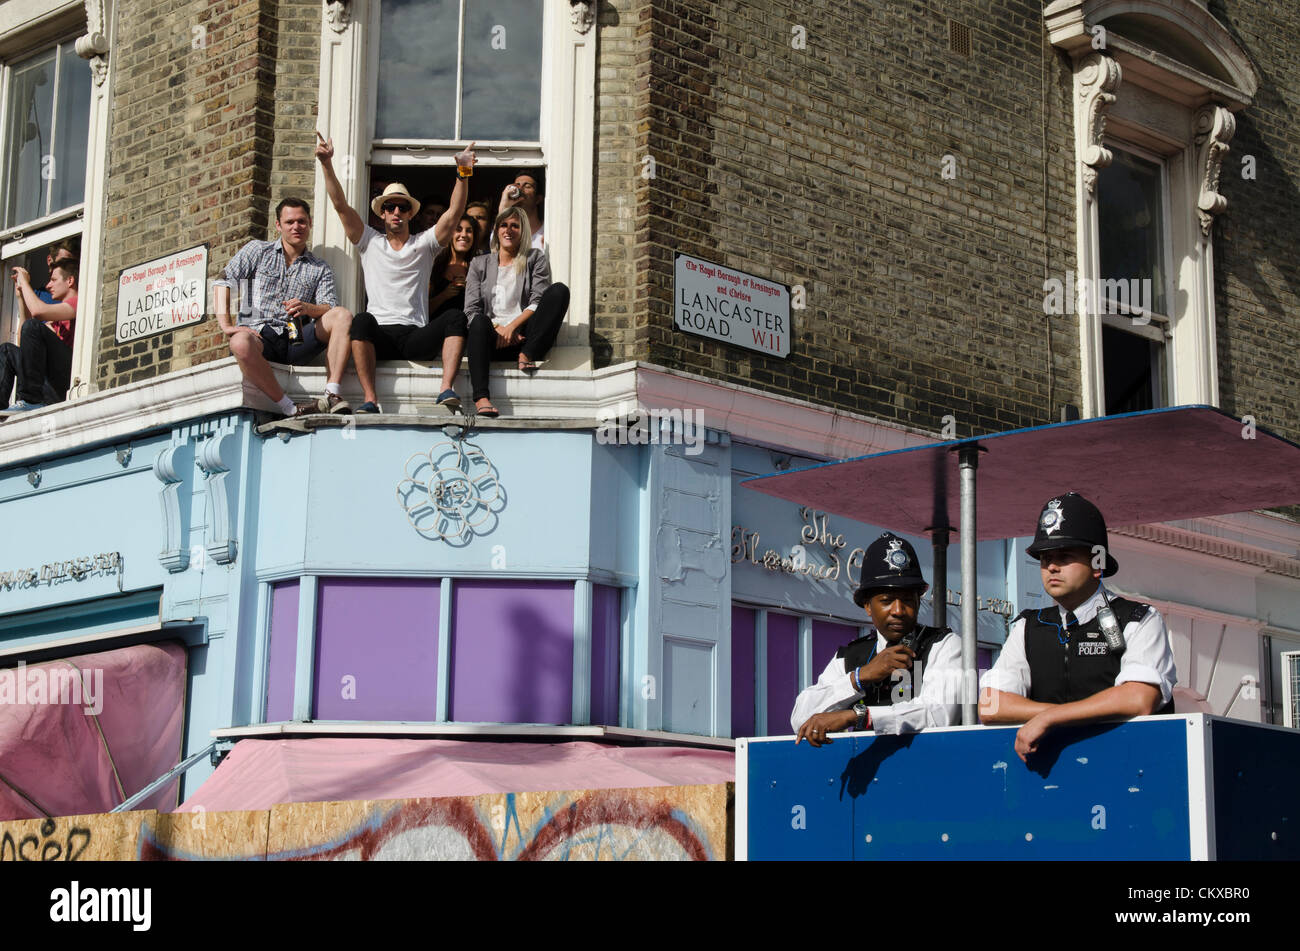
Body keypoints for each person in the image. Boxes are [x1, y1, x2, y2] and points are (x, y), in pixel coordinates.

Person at [979, 492, 1177, 763]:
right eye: (1044, 557)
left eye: (1064, 556)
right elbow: (991, 705)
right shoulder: (1027, 626)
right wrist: (1055, 715)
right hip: (1048, 778)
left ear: (1098, 562)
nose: (1051, 566)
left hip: (1131, 773)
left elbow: (1139, 698)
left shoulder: (1138, 618)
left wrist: (1051, 717)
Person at [317, 133, 473, 414]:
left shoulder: (424, 244)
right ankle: (370, 399)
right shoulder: (369, 240)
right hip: (381, 337)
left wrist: (463, 172)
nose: (396, 211)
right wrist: (327, 163)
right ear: (383, 213)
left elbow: (454, 212)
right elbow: (340, 205)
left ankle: (446, 388)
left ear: (411, 213)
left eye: (402, 207)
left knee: (456, 318)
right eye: (390, 207)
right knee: (361, 320)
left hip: (416, 335)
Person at [791, 532, 963, 743]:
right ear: (867, 606)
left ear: (919, 601)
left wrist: (859, 715)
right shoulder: (849, 657)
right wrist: (859, 677)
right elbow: (800, 719)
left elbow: (939, 716)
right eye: (887, 600)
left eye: (908, 600)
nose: (898, 610)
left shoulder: (942, 644)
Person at [213, 197, 354, 417]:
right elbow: (223, 281)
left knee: (342, 315)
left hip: (295, 333)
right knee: (239, 343)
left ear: (309, 223)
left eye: (301, 221)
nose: (296, 227)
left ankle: (332, 393)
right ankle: (289, 407)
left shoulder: (319, 267)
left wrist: (308, 308)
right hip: (259, 334)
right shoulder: (258, 250)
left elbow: (329, 307)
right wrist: (227, 326)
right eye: (289, 222)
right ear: (278, 225)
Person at [463, 206, 569, 417]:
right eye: (503, 225)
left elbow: (538, 299)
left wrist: (512, 326)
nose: (508, 230)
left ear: (523, 231)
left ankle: (528, 354)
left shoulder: (534, 258)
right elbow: (471, 310)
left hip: (523, 336)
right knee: (478, 322)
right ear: (496, 230)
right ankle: (481, 397)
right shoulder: (479, 263)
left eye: (515, 226)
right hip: (490, 338)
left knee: (559, 291)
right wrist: (499, 329)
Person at [1, 244, 75, 410]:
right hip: (48, 385)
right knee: (7, 350)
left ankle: (30, 401)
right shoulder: (57, 317)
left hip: (62, 387)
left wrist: (26, 283)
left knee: (33, 326)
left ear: (70, 281)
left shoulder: (78, 302)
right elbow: (26, 343)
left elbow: (37, 312)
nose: (48, 286)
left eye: (54, 280)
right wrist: (21, 298)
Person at [429, 216, 477, 320]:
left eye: (469, 231)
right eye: (458, 230)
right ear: (450, 234)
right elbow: (423, 309)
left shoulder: (478, 267)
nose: (464, 235)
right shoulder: (435, 264)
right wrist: (445, 295)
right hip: (436, 327)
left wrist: (470, 290)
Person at [498, 172, 545, 250]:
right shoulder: (506, 232)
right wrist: (504, 206)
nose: (520, 189)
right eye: (517, 186)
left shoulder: (547, 233)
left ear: (538, 199)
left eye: (527, 186)